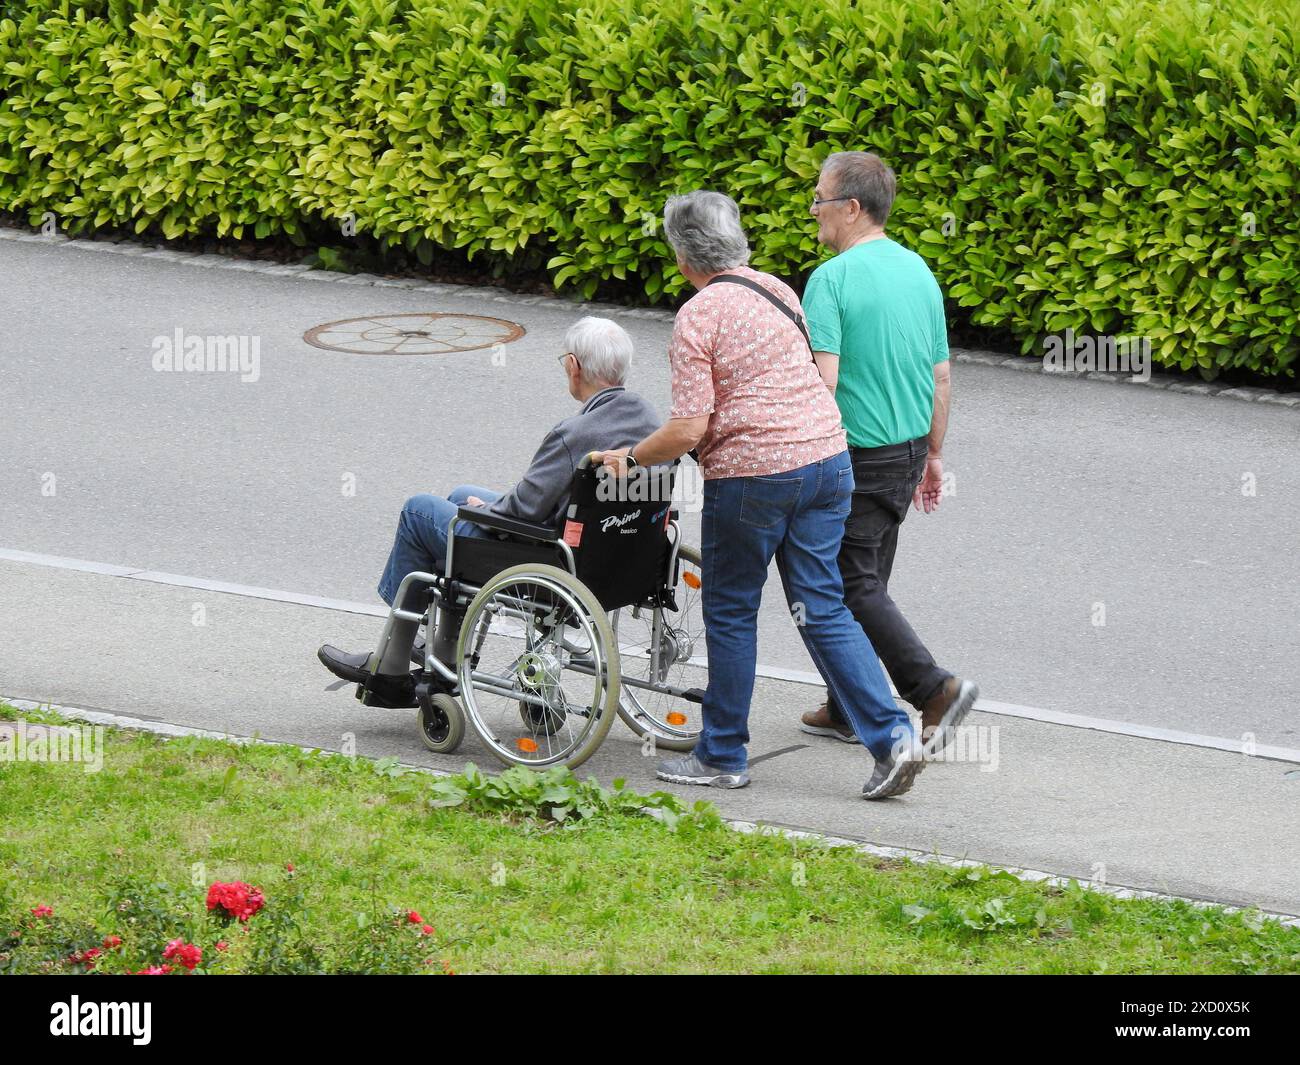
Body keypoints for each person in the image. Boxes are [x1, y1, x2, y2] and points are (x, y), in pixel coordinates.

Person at [599, 190, 926, 799]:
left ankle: (722, 753)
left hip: (756, 480)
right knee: (823, 606)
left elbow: (690, 428)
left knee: (730, 611)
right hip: (829, 463)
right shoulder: (777, 289)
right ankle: (893, 737)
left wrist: (628, 458)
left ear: (681, 255)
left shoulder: (698, 315)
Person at [318, 316, 661, 699]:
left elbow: (524, 511)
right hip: (617, 556)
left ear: (574, 366)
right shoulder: (650, 421)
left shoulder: (576, 435)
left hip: (548, 558)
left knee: (418, 512)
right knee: (461, 493)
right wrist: (487, 504)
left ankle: (391, 664)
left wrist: (489, 510)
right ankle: (444, 650)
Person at [799, 150, 978, 752]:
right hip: (905, 451)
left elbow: (823, 382)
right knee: (868, 578)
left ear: (851, 208)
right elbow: (941, 375)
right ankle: (846, 703)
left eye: (821, 200)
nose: (814, 211)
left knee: (847, 587)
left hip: (856, 455)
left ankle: (933, 689)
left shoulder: (831, 280)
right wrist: (933, 455)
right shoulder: (917, 270)